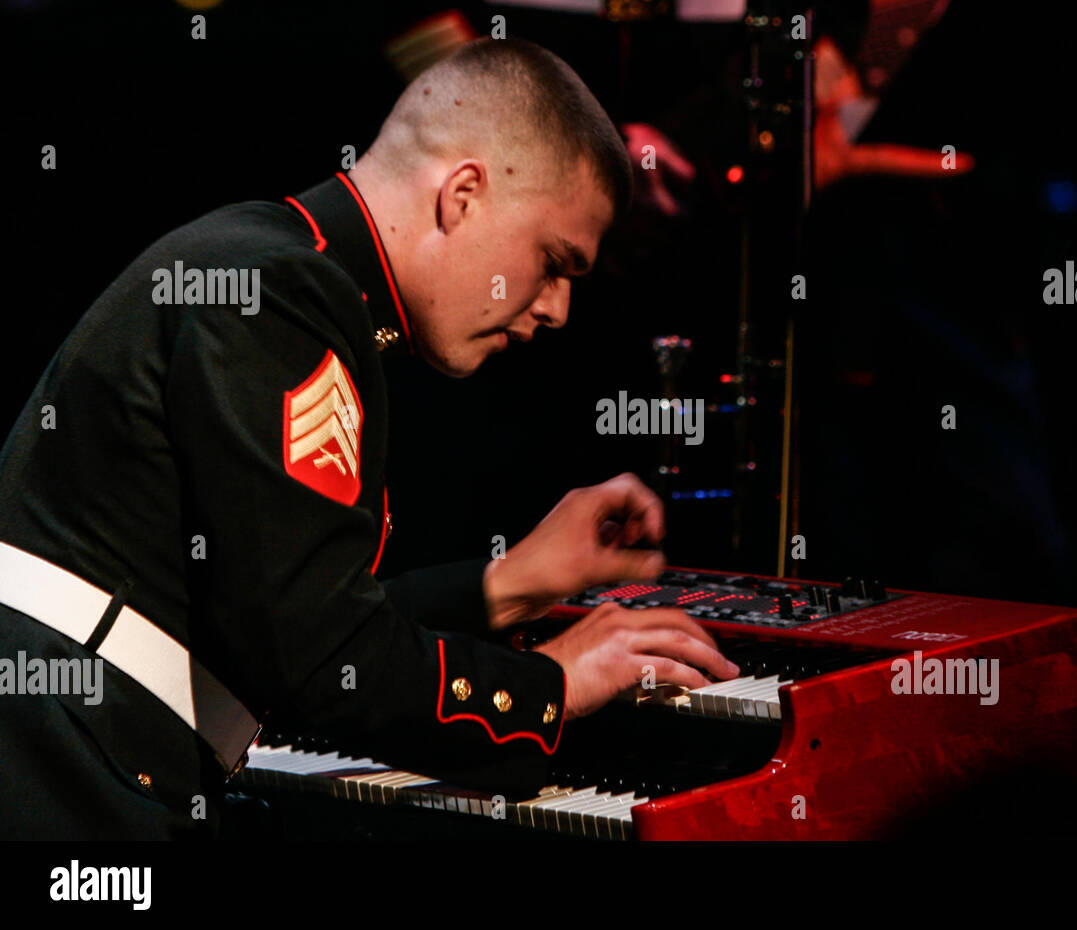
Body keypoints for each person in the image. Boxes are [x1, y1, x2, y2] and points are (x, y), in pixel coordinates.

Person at [0, 38, 737, 840]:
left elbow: (283, 609)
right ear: (462, 195)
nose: (556, 309)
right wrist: (551, 681)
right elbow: (316, 656)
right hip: (56, 771)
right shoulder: (283, 292)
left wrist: (507, 582)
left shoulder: (275, 265)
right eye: (554, 262)